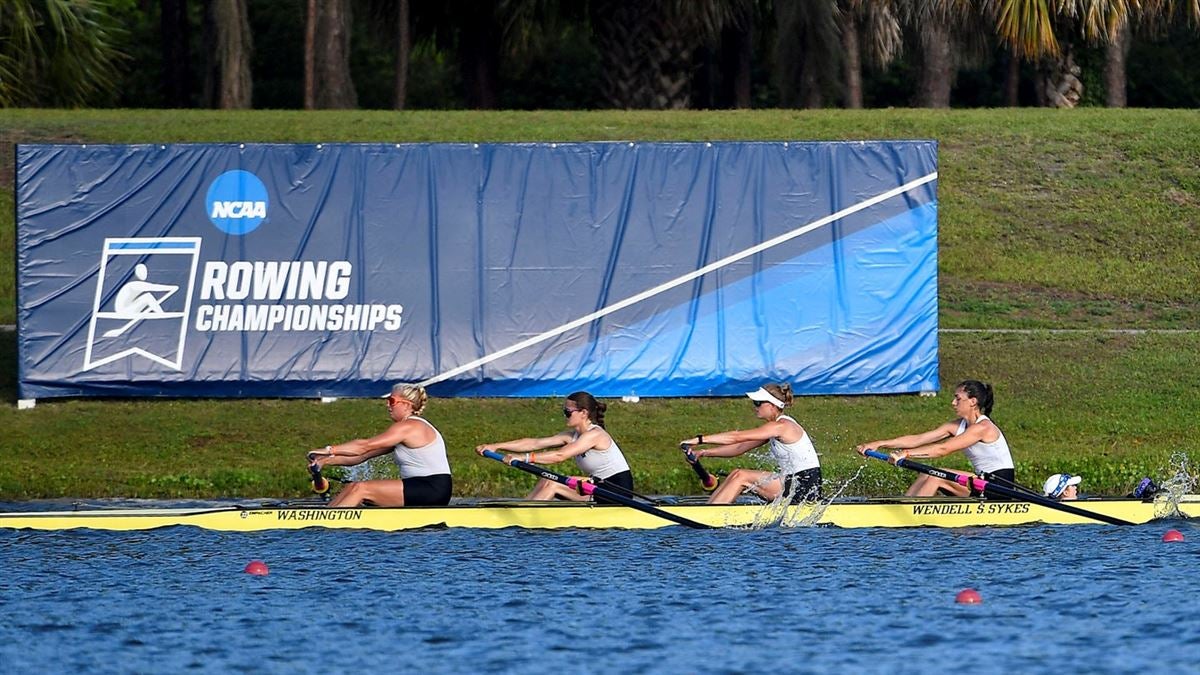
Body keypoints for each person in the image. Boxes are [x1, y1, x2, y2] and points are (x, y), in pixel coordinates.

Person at [855, 379, 1014, 498]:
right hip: (982, 481)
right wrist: (880, 443)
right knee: (926, 473)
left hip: (1000, 487)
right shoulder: (957, 426)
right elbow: (918, 439)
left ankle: (909, 519)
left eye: (958, 399)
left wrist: (906, 454)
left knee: (935, 475)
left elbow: (942, 449)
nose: (953, 403)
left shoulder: (983, 428)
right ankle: (904, 505)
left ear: (973, 402)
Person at [307, 383, 452, 507]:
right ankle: (325, 518)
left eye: (392, 400)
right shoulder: (404, 431)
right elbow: (361, 456)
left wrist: (328, 450)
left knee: (361, 489)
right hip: (423, 487)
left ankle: (328, 526)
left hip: (431, 488)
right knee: (352, 487)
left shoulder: (410, 426)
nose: (387, 405)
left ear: (407, 405)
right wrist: (324, 460)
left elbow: (364, 446)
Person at [474, 391, 633, 503]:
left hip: (617, 491)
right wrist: (495, 446)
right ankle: (523, 509)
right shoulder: (571, 436)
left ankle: (524, 521)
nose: (565, 415)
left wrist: (524, 458)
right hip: (598, 485)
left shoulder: (595, 435)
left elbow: (560, 456)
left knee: (553, 482)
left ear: (583, 413)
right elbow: (535, 443)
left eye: (568, 411)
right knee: (546, 479)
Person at [680, 383, 821, 505]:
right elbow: (740, 447)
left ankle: (710, 515)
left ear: (772, 405)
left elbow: (736, 437)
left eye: (758, 403)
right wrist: (704, 452)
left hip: (805, 486)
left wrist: (698, 440)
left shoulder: (781, 426)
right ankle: (707, 509)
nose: (755, 407)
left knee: (742, 476)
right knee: (736, 473)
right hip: (793, 483)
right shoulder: (774, 428)